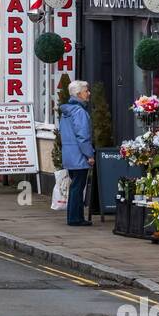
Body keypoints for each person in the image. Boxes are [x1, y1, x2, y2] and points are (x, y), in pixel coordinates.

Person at [58, 79, 95, 226]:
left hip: (69, 153)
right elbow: (83, 136)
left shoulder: (67, 111)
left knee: (75, 186)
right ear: (79, 94)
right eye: (86, 91)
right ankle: (75, 218)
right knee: (78, 187)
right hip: (79, 155)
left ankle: (75, 217)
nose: (89, 93)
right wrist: (90, 155)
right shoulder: (79, 112)